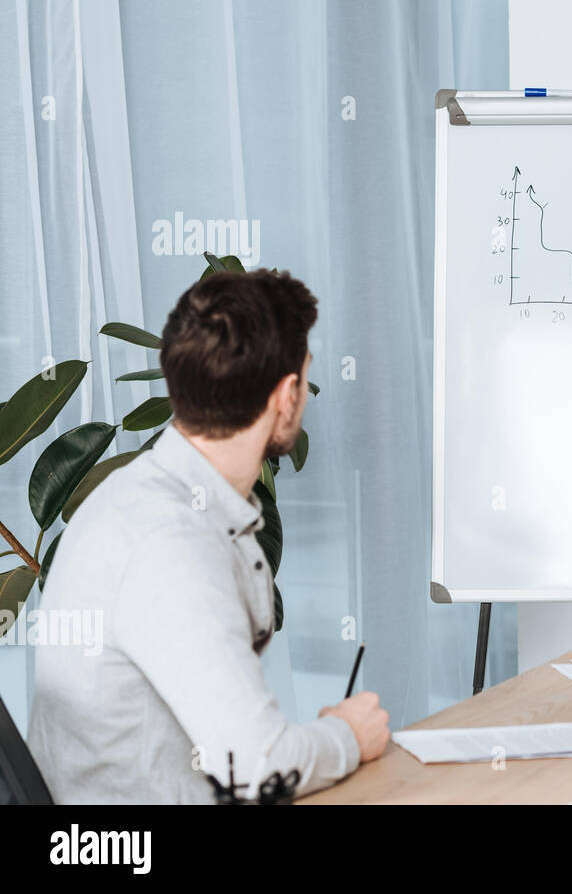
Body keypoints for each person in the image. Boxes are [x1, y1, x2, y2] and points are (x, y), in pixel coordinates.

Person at [29, 270, 390, 803]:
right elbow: (258, 767)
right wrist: (348, 737)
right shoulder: (171, 544)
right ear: (286, 396)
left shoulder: (134, 495)